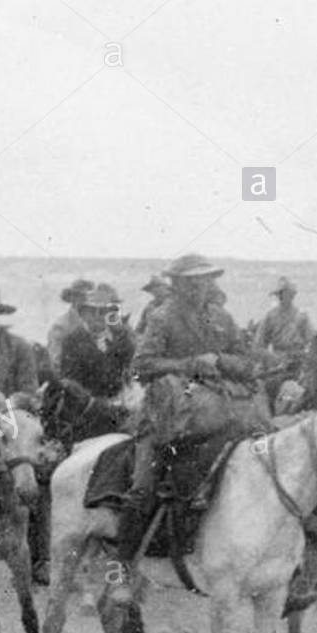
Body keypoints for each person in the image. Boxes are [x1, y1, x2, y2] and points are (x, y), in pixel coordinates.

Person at [112, 254, 266, 602]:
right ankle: (122, 570)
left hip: (223, 416)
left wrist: (221, 362)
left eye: (205, 279)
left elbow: (248, 364)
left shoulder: (223, 319)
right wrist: (189, 365)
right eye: (193, 281)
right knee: (142, 487)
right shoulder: (162, 318)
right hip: (168, 417)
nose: (201, 286)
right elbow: (142, 366)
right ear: (178, 285)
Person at [58, 283, 136, 398]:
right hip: (86, 405)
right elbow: (70, 381)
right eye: (92, 311)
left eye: (103, 312)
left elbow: (130, 374)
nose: (98, 316)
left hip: (119, 401)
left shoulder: (122, 339)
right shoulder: (72, 341)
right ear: (83, 314)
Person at [46, 278, 95, 372]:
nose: (85, 301)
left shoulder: (94, 323)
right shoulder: (61, 326)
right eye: (81, 297)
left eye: (89, 298)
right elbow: (56, 360)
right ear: (73, 299)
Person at [255, 276, 311, 356]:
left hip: (298, 358)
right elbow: (260, 343)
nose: (282, 296)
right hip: (277, 358)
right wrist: (271, 357)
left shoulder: (302, 316)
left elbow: (310, 341)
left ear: (292, 295)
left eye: (287, 293)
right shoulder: (270, 316)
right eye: (280, 294)